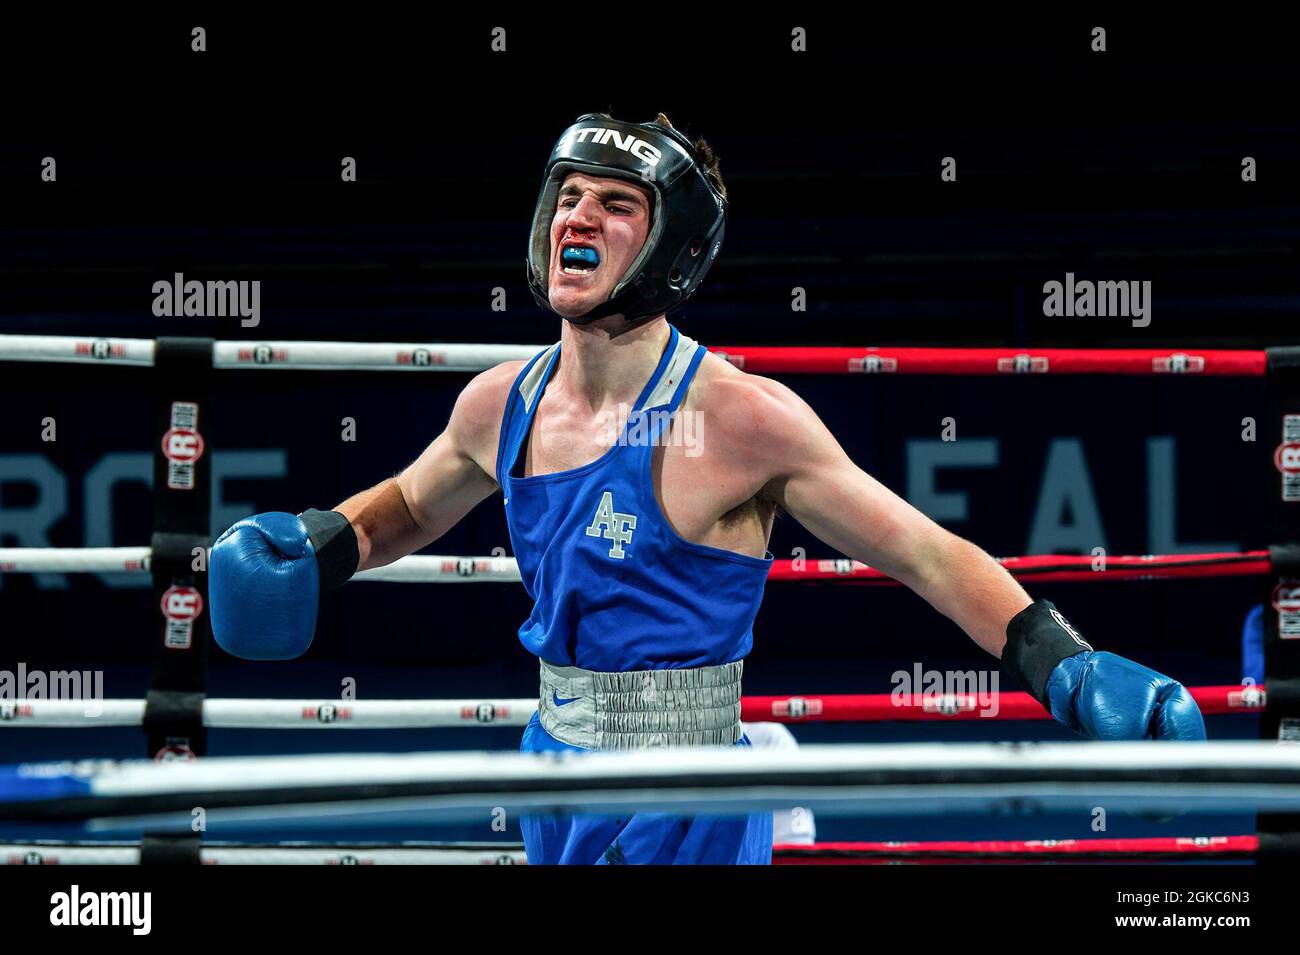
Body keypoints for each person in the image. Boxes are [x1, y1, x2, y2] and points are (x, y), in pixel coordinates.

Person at [209, 112, 1206, 865]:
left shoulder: (740, 418)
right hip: (547, 757)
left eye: (615, 202)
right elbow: (414, 504)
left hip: (692, 776)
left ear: (670, 246)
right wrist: (319, 540)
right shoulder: (497, 404)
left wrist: (1066, 666)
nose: (577, 217)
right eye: (568, 195)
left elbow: (926, 555)